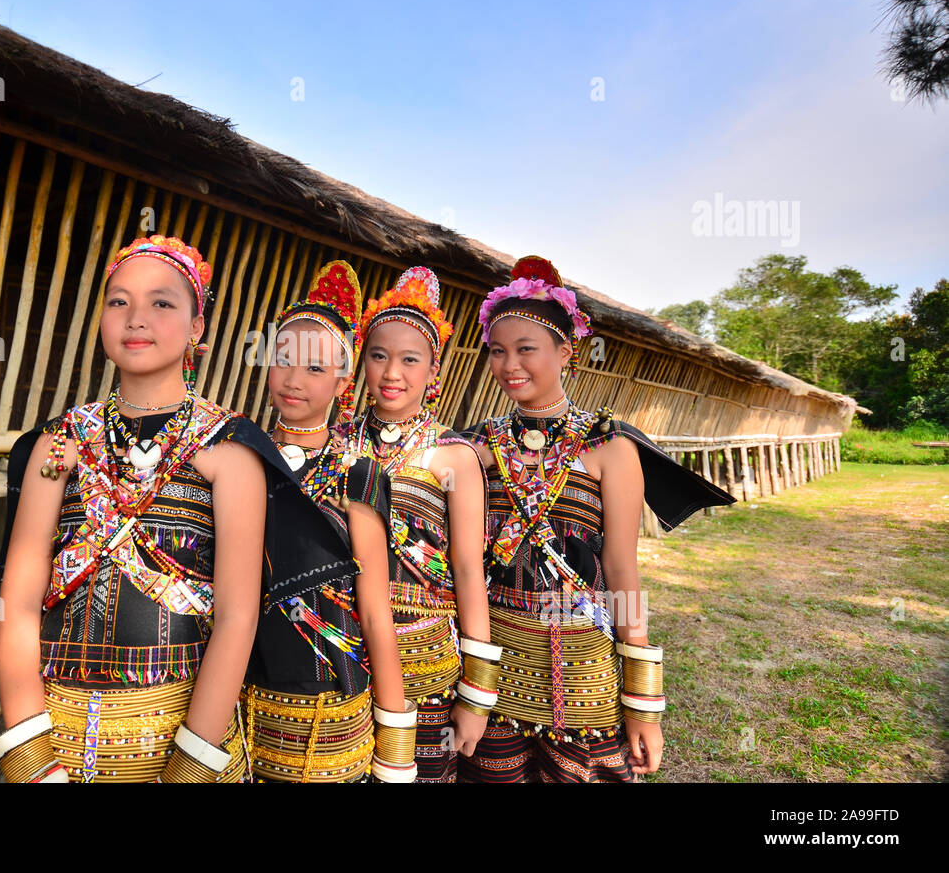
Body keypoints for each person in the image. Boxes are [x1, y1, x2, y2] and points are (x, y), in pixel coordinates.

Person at [0, 234, 280, 783]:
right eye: (118, 301)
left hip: (179, 736)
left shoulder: (227, 450)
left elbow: (238, 617)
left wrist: (190, 768)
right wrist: (31, 756)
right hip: (60, 739)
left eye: (162, 303)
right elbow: (19, 602)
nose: (135, 318)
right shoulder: (60, 444)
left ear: (197, 329)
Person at [458, 255, 735, 783]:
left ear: (566, 351)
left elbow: (622, 569)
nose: (509, 364)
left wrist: (643, 704)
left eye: (526, 349)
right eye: (497, 351)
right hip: (492, 663)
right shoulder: (475, 446)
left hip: (583, 664)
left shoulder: (609, 447)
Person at [244, 260, 415, 783]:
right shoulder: (236, 457)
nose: (294, 381)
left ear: (344, 382)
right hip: (239, 702)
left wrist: (396, 752)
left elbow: (376, 613)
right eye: (284, 361)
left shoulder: (359, 475)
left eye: (316, 369)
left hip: (331, 707)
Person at [341, 266, 494, 783]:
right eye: (379, 355)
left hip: (422, 659)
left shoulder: (453, 456)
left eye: (410, 360)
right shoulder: (334, 442)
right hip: (337, 649)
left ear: (435, 373)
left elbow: (470, 570)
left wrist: (476, 695)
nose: (392, 373)